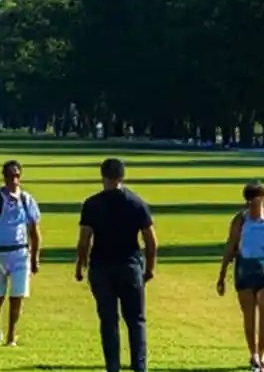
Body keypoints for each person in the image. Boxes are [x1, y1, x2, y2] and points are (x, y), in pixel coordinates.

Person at [75, 158, 156, 372]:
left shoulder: (92, 204)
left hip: (101, 267)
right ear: (123, 176)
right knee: (136, 320)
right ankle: (140, 366)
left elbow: (84, 240)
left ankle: (113, 367)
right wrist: (149, 269)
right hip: (129, 266)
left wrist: (80, 265)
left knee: (108, 320)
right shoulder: (137, 203)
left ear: (102, 176)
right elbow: (151, 240)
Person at [216, 181, 264, 371]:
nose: (252, 205)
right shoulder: (239, 220)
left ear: (262, 199)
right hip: (245, 270)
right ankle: (253, 354)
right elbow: (230, 247)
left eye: (255, 201)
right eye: (249, 201)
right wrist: (222, 275)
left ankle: (263, 354)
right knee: (249, 316)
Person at [0, 160, 43, 346]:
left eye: (17, 176)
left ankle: (11, 336)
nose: (14, 180)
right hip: (0, 253)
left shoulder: (26, 200)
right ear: (4, 177)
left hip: (20, 253)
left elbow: (35, 230)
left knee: (18, 296)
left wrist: (35, 257)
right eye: (10, 176)